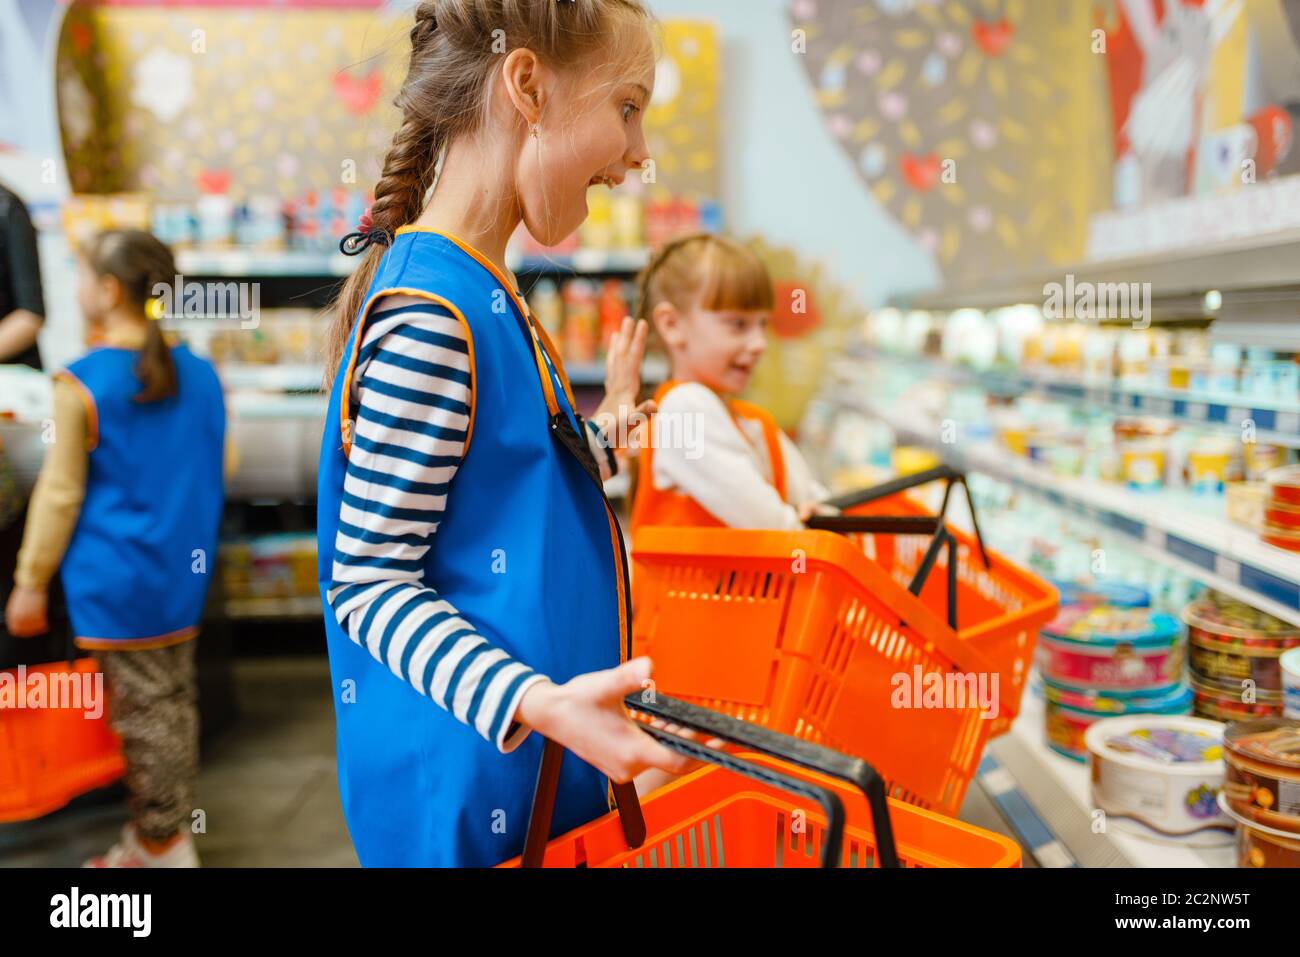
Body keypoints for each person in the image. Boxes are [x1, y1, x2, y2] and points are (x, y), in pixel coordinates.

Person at [317, 0, 701, 867]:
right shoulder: (432, 316)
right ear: (527, 85)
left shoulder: (483, 289)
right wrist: (533, 699)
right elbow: (369, 583)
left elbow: (497, 489)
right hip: (468, 797)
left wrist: (604, 438)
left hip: (522, 777)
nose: (638, 154)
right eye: (628, 107)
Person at [4, 229, 226, 868]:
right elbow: (220, 463)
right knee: (172, 702)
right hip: (181, 578)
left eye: (79, 276)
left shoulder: (81, 384)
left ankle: (163, 843)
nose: (76, 289)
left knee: (143, 714)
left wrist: (29, 580)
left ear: (106, 291)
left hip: (116, 583)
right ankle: (160, 832)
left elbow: (59, 494)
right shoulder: (202, 375)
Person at [629, 233, 830, 535]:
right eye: (738, 324)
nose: (760, 343)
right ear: (672, 325)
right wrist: (816, 523)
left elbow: (820, 505)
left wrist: (819, 515)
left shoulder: (754, 424)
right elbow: (772, 527)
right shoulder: (683, 410)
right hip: (693, 585)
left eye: (762, 323)